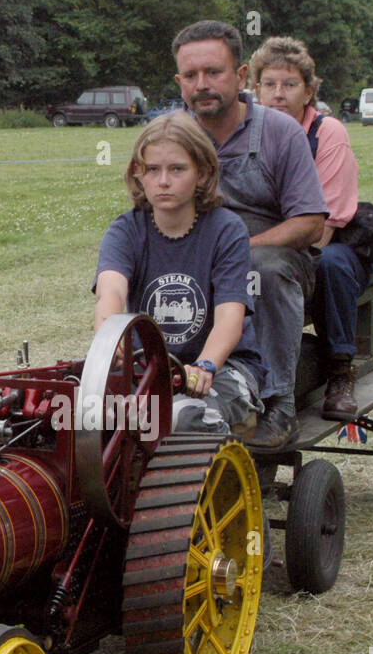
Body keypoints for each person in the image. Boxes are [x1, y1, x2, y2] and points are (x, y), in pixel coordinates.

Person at [170, 19, 328, 447]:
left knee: (262, 270)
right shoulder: (170, 136)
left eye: (214, 72)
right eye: (191, 75)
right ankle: (158, 387)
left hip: (273, 256)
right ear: (179, 81)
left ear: (241, 77)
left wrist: (237, 251)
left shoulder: (281, 132)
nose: (202, 84)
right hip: (190, 252)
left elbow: (311, 222)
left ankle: (278, 404)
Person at [94, 111, 265, 436]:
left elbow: (231, 318)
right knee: (87, 414)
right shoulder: (126, 230)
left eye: (177, 169)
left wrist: (204, 367)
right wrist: (110, 341)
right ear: (138, 175)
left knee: (181, 416)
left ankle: (214, 481)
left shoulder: (227, 230)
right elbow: (110, 292)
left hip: (227, 369)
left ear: (202, 173)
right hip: (149, 368)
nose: (163, 181)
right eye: (152, 170)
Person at [250, 35, 364, 416]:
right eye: (269, 84)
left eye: (289, 84)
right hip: (268, 241)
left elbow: (322, 227)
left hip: (321, 243)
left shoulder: (327, 134)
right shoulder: (250, 132)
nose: (278, 94)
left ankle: (339, 370)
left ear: (309, 91)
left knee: (331, 264)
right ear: (256, 89)